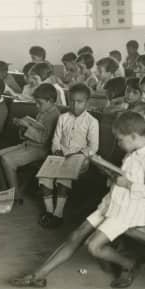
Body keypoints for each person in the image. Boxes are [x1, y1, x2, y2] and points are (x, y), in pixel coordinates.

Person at [10, 111, 145, 289]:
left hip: (128, 212)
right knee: (75, 236)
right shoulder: (132, 153)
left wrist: (127, 184)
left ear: (134, 136)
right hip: (111, 204)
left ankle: (129, 263)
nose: (119, 144)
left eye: (120, 139)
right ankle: (39, 275)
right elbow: (122, 177)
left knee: (93, 246)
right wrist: (105, 168)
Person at [38, 83, 99, 229]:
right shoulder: (63, 118)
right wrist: (57, 150)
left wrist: (78, 154)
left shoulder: (92, 122)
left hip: (79, 159)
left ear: (87, 103)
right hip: (60, 155)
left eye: (80, 102)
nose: (75, 105)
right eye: (71, 101)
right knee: (44, 176)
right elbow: (56, 139)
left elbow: (93, 147)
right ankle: (49, 212)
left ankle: (58, 214)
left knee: (63, 178)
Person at [0, 83, 60, 205]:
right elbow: (34, 130)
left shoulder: (54, 115)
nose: (37, 106)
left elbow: (44, 139)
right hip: (30, 145)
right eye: (36, 103)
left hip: (41, 149)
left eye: (39, 103)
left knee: (7, 161)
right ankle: (7, 189)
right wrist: (22, 125)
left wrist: (27, 126)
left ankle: (16, 197)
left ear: (50, 101)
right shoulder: (43, 111)